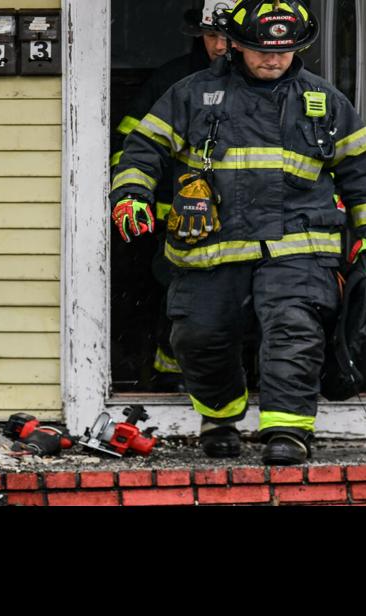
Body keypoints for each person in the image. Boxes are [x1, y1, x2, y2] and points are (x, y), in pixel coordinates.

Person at [110, 0, 366, 464]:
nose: (273, 59)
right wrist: (131, 195)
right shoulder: (192, 94)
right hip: (210, 246)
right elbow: (144, 149)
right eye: (261, 50)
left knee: (293, 330)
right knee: (200, 337)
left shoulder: (324, 101)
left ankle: (288, 431)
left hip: (299, 244)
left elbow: (362, 171)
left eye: (284, 51)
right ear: (237, 45)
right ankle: (220, 417)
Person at [112, 2, 236, 390]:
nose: (220, 46)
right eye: (213, 36)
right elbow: (132, 146)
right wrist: (138, 195)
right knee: (179, 302)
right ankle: (170, 380)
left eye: (229, 37)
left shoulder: (276, 89)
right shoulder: (174, 82)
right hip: (178, 222)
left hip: (250, 224)